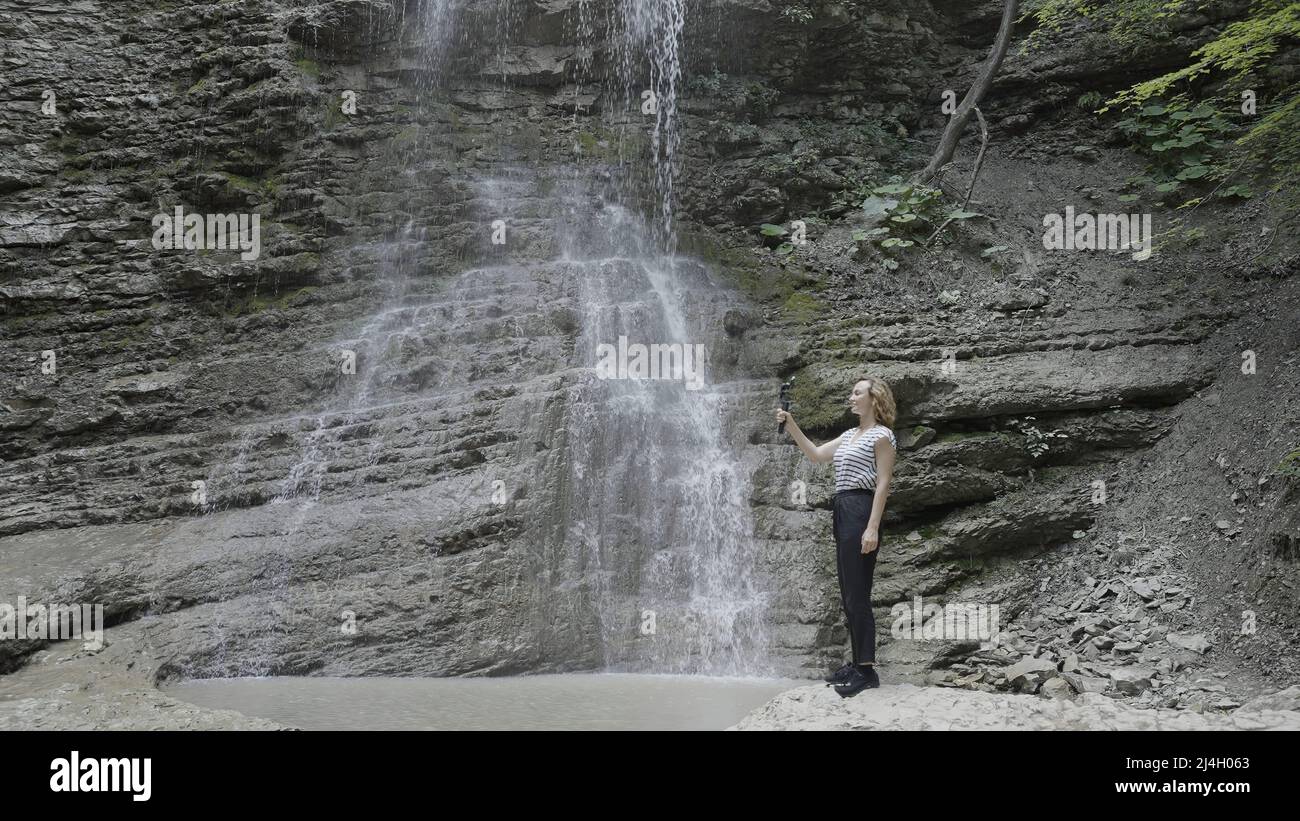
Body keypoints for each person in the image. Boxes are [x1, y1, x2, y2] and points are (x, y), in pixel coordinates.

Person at [776, 376, 897, 697]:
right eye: (852, 391)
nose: (851, 396)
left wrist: (872, 526)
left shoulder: (882, 435)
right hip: (842, 507)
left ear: (874, 399)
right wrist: (791, 425)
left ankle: (867, 672)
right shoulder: (849, 435)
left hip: (861, 507)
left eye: (857, 392)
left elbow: (883, 483)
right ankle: (857, 664)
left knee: (858, 594)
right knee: (848, 592)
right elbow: (815, 454)